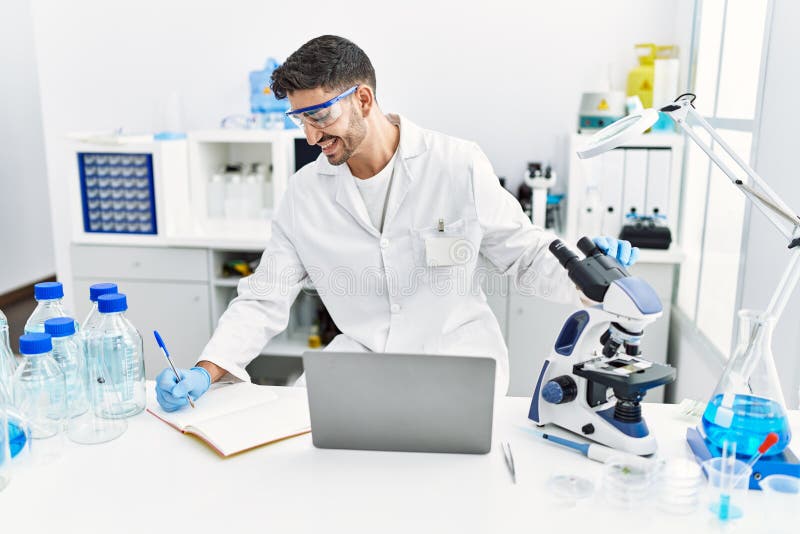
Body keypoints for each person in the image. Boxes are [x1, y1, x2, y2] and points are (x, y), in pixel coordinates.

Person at [155, 35, 639, 411]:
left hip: (459, 366)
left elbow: (527, 255)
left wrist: (591, 279)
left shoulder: (456, 164)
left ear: (363, 99)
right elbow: (265, 295)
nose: (308, 135)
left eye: (318, 115)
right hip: (359, 367)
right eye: (297, 119)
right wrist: (207, 368)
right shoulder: (306, 194)